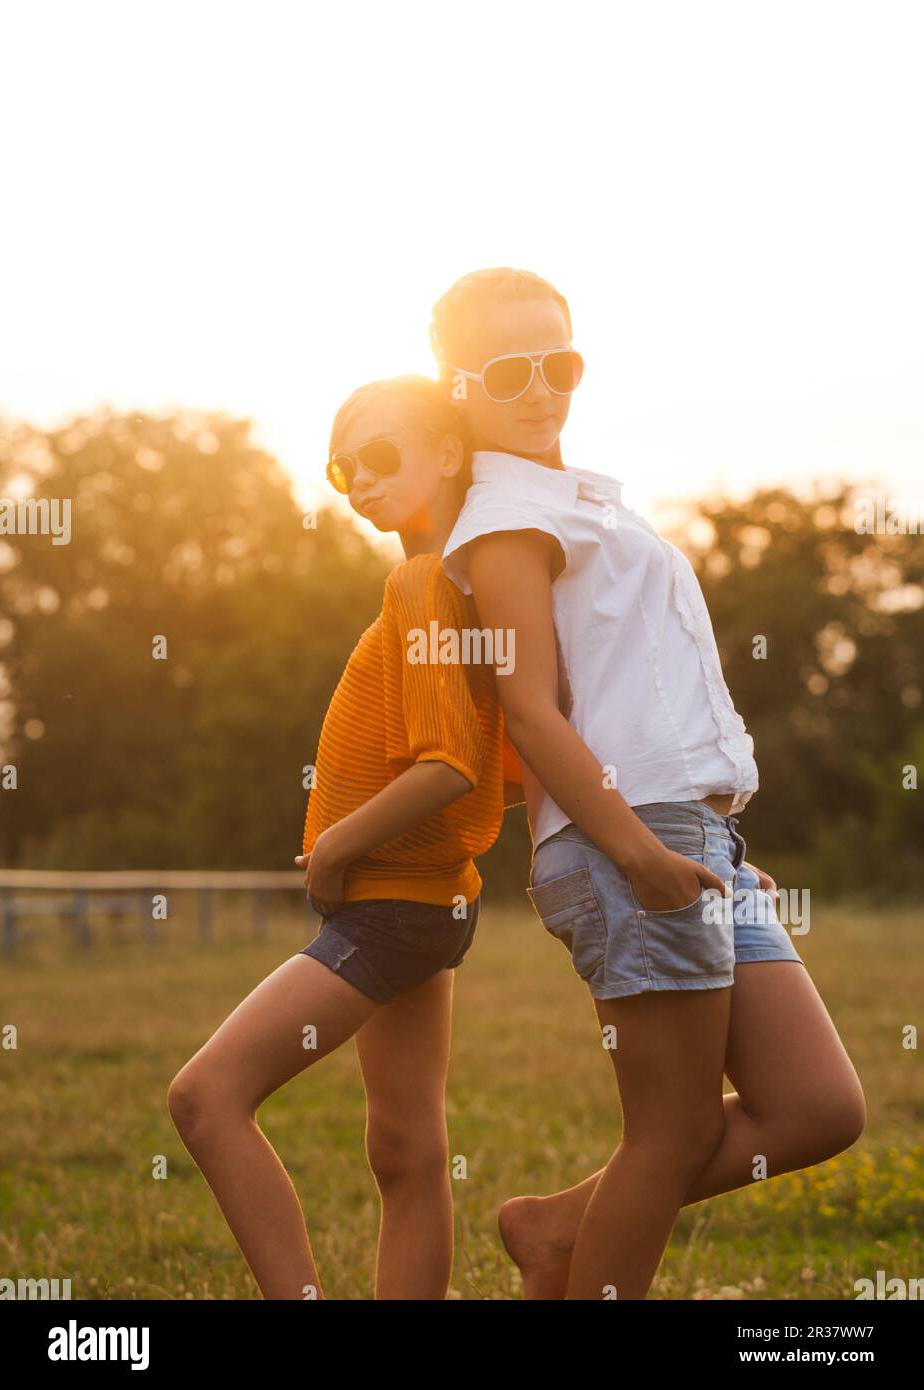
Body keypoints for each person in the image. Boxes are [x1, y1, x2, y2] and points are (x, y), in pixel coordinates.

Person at [430, 267, 867, 1299]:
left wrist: (715, 845)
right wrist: (637, 849)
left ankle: (550, 1230)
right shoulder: (502, 524)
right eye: (508, 371)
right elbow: (530, 711)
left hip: (696, 840)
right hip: (627, 840)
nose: (541, 389)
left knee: (816, 1107)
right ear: (456, 386)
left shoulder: (584, 502)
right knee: (665, 1137)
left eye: (560, 363)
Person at [167, 375, 522, 1300]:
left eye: (380, 456)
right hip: (431, 905)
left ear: (448, 454)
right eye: (341, 467)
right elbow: (490, 764)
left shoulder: (422, 581)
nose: (358, 480)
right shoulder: (465, 582)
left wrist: (333, 849)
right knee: (407, 1150)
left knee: (205, 1101)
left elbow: (446, 765)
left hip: (391, 911)